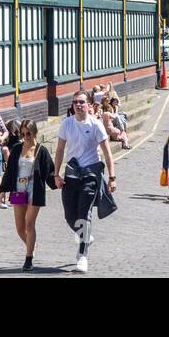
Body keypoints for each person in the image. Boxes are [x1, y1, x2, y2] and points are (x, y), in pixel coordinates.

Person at [53, 89, 117, 273]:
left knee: (84, 214)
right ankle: (85, 235)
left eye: (82, 102)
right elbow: (59, 150)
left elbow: (107, 152)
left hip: (90, 175)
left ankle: (82, 256)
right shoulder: (66, 124)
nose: (78, 105)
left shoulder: (96, 125)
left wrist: (112, 178)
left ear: (89, 105)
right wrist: (56, 174)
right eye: (75, 102)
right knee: (69, 216)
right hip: (71, 175)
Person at [0, 119, 57, 271]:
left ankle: (28, 259)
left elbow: (50, 171)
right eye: (23, 134)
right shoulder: (17, 148)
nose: (25, 136)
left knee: (29, 223)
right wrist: (3, 188)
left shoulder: (41, 150)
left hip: (34, 190)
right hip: (18, 190)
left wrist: (57, 181)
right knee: (20, 227)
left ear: (35, 132)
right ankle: (31, 245)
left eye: (28, 134)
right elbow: (10, 170)